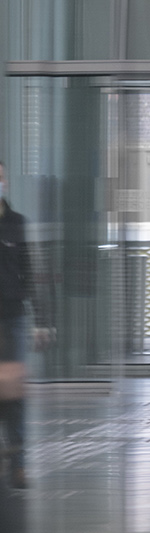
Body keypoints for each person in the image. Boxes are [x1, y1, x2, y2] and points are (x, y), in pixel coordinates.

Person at [0, 162, 51, 490]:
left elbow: (33, 273)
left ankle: (18, 464)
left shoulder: (17, 224)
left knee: (13, 391)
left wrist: (43, 322)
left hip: (14, 317)